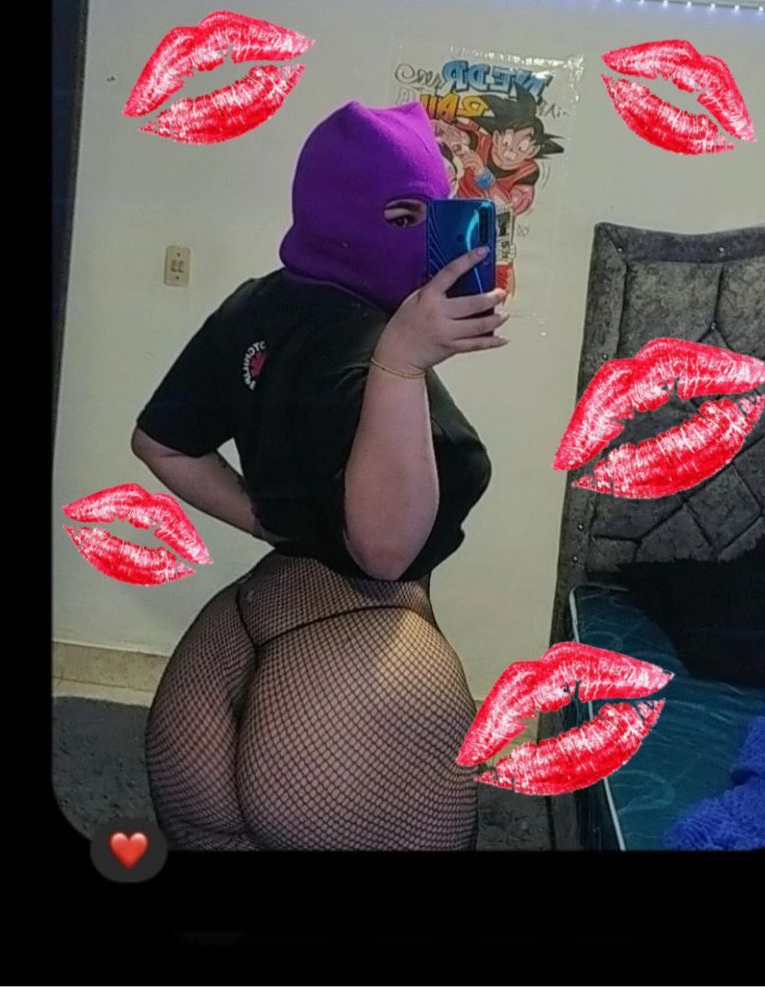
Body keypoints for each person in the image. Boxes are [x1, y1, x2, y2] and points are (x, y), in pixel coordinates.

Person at [130, 100, 508, 850]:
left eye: (435, 214)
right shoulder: (381, 350)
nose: (426, 239)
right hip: (355, 677)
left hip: (223, 654)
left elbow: (159, 444)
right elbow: (384, 553)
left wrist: (263, 517)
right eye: (404, 216)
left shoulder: (256, 302)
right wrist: (401, 364)